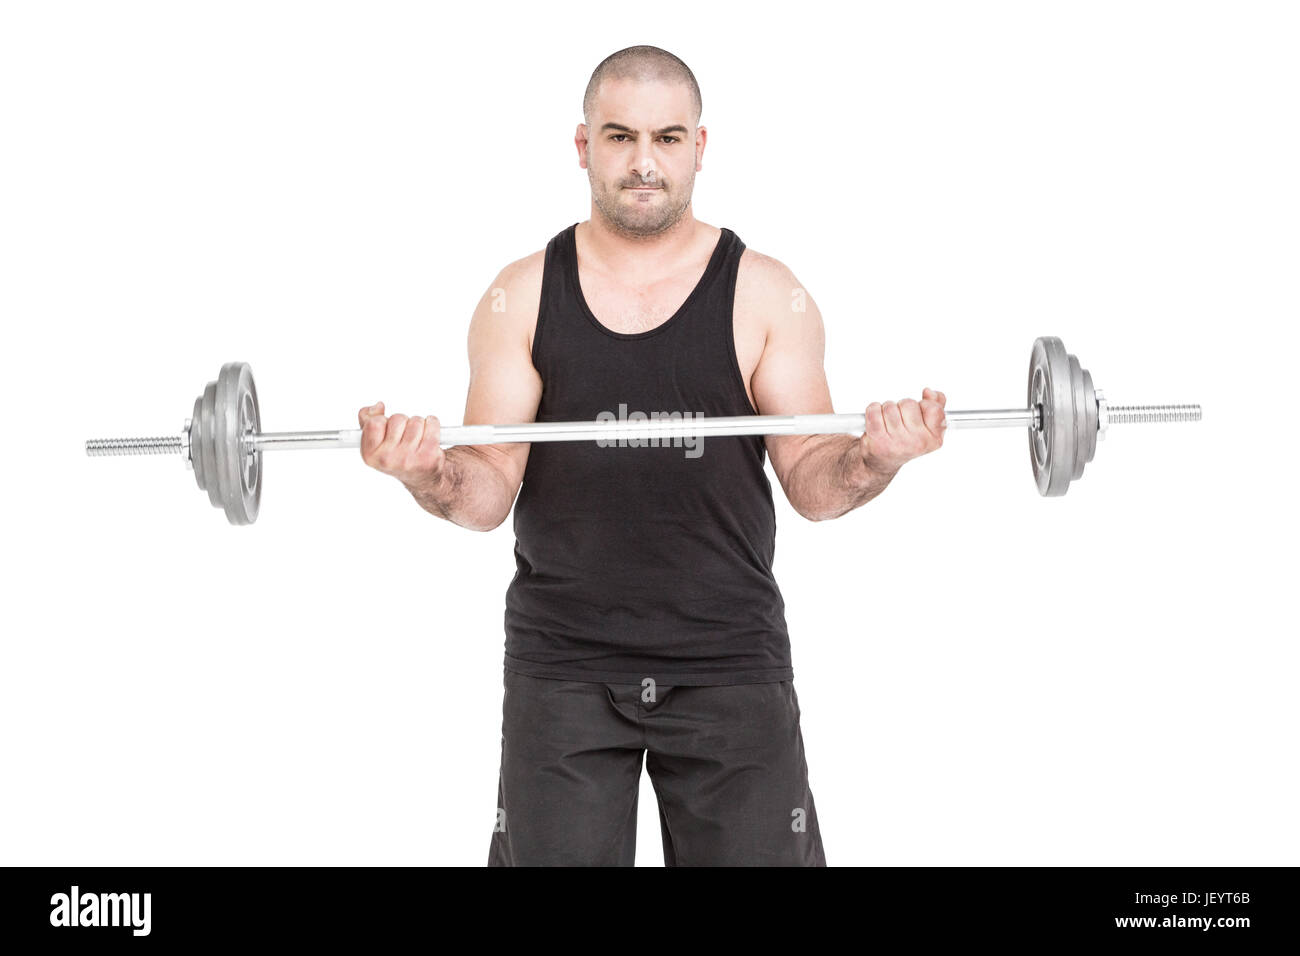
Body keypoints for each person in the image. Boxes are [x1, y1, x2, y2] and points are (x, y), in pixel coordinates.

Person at [357, 45, 947, 866]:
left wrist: (876, 458)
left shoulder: (765, 292)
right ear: (582, 145)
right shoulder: (521, 294)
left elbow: (814, 483)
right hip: (564, 663)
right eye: (620, 136)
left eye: (668, 138)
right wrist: (426, 472)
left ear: (700, 148)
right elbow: (488, 492)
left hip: (728, 657)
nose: (643, 162)